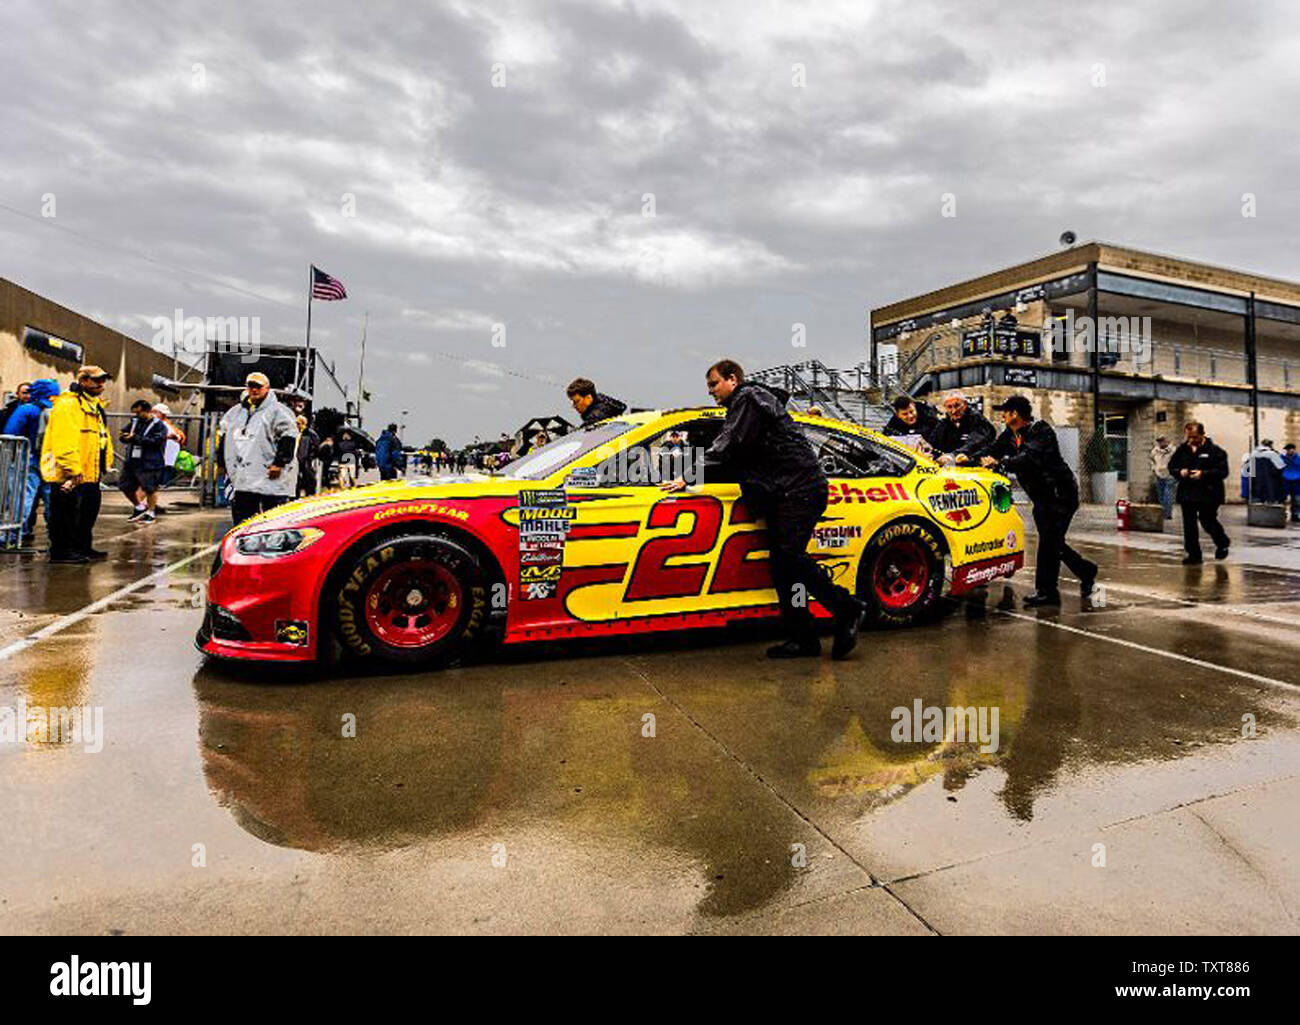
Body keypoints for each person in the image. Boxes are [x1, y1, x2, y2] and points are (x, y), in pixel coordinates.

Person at [660, 359, 865, 660]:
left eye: (714, 384)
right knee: (783, 567)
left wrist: (688, 476)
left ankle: (847, 608)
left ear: (732, 379)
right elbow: (736, 455)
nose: (711, 392)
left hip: (798, 490)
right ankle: (804, 638)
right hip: (784, 492)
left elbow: (728, 445)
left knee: (790, 558)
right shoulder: (748, 404)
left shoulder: (748, 398)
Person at [977, 396, 1097, 607]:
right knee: (1053, 543)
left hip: (1061, 495)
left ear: (1015, 414)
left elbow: (1029, 458)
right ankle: (1085, 570)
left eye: (1005, 411)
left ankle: (1048, 592)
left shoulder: (1041, 431)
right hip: (1041, 498)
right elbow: (990, 451)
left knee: (1049, 543)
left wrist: (1000, 464)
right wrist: (968, 458)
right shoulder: (1009, 435)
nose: (1002, 415)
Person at [41, 365, 114, 563]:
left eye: (103, 380)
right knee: (66, 514)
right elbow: (64, 441)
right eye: (96, 380)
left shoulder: (95, 405)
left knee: (87, 511)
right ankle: (62, 552)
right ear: (83, 381)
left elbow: (102, 437)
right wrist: (73, 469)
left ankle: (82, 547)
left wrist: (106, 462)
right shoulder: (68, 405)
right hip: (71, 472)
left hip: (91, 471)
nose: (101, 384)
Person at [218, 372, 299, 525]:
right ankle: (245, 547)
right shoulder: (235, 413)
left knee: (274, 520)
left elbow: (289, 436)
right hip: (243, 477)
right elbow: (224, 437)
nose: (254, 390)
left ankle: (273, 546)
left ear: (267, 388)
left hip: (270, 474)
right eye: (251, 386)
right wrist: (222, 463)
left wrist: (280, 463)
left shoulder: (278, 411)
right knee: (243, 521)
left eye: (258, 386)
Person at [2, 378, 58, 548]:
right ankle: (56, 533)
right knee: (51, 497)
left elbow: (10, 432)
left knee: (23, 496)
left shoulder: (27, 410)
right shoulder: (58, 409)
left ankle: (13, 534)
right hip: (50, 459)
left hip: (28, 457)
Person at [1169, 421, 1230, 565]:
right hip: (1188, 492)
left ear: (1202, 434)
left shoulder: (1216, 452)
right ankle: (1194, 555)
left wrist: (1203, 474)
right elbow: (1172, 466)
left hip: (1209, 493)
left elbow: (1222, 472)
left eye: (1194, 437)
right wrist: (1179, 472)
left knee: (1207, 520)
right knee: (1189, 525)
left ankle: (1222, 542)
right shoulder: (1182, 450)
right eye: (1188, 437)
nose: (1191, 440)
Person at [118, 399, 168, 524]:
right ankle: (139, 507)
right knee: (125, 485)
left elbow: (156, 442)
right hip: (133, 460)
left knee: (150, 488)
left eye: (139, 413)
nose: (136, 415)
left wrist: (135, 438)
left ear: (148, 411)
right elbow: (125, 432)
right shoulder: (135, 422)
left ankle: (151, 512)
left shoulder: (159, 425)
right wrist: (123, 437)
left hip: (150, 461)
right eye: (134, 413)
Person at [928, 393, 996, 466]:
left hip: (976, 466)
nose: (953, 411)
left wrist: (954, 455)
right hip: (951, 469)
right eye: (949, 407)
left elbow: (975, 442)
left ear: (965, 404)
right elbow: (932, 444)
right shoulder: (943, 424)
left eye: (957, 406)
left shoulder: (976, 419)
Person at [153, 403, 186, 492]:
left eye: (156, 412)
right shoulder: (154, 423)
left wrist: (175, 437)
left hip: (169, 448)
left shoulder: (167, 424)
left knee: (167, 466)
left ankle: (163, 484)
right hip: (159, 449)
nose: (154, 414)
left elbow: (178, 435)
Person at [1243, 439, 1285, 504]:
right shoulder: (1273, 455)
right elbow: (1280, 469)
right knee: (1271, 507)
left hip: (1256, 487)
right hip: (1271, 488)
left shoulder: (1252, 455)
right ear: (1270, 445)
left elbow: (1246, 472)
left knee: (1257, 506)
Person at [1149, 435, 1176, 520]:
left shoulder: (1173, 450)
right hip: (1159, 475)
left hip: (1170, 475)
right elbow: (1151, 461)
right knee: (1161, 495)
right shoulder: (1155, 451)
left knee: (1167, 495)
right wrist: (1154, 469)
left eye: (1162, 441)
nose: (1160, 442)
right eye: (1159, 441)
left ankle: (1166, 514)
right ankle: (1163, 513)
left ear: (1167, 441)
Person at [295, 414, 320, 496]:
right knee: (297, 481)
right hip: (296, 460)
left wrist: (309, 457)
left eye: (298, 423)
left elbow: (315, 447)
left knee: (309, 480)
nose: (296, 425)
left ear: (303, 424)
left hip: (306, 461)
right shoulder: (296, 433)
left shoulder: (310, 434)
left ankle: (309, 495)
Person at [1283, 443, 1300, 523]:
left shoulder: (1298, 458)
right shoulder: (1283, 458)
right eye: (1287, 449)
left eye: (1290, 449)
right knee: (1283, 499)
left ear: (1294, 449)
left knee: (1296, 500)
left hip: (1296, 481)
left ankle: (1295, 515)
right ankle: (1283, 514)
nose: (1289, 451)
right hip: (1286, 480)